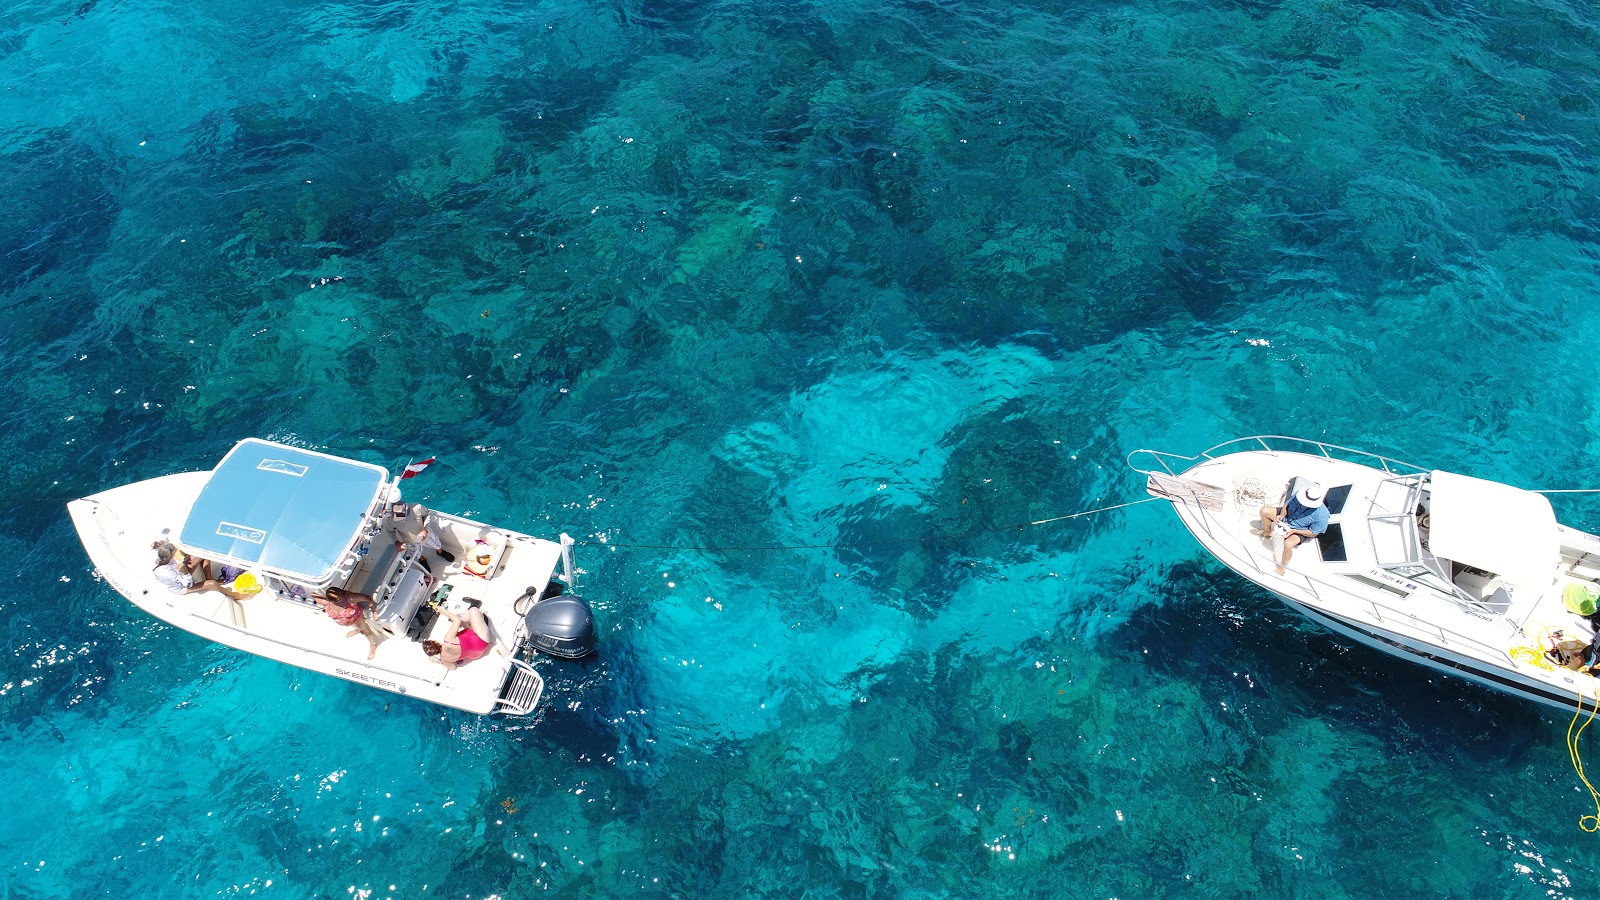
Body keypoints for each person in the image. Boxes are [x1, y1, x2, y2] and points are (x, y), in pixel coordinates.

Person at [1258, 480, 1330, 575]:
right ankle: (1267, 532)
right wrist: (1282, 516)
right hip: (1286, 518)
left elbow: (1314, 532)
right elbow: (1286, 505)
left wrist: (1294, 531)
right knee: (1264, 511)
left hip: (1299, 530)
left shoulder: (1322, 515)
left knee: (1288, 545)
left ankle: (1281, 569)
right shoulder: (1299, 494)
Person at [314, 586, 383, 659]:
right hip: (348, 622)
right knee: (357, 628)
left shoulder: (350, 598)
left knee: (365, 631)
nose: (339, 601)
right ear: (330, 600)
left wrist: (374, 611)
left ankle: (372, 645)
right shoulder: (326, 602)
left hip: (357, 618)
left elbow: (367, 598)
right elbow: (313, 594)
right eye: (336, 601)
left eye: (340, 598)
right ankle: (357, 630)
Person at [151, 541, 239, 598]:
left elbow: (162, 545)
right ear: (171, 557)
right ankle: (234, 595)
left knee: (201, 554)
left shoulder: (161, 555)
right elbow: (187, 585)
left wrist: (158, 544)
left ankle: (209, 577)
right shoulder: (168, 573)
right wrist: (185, 573)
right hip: (182, 585)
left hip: (178, 571)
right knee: (212, 584)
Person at [422, 607, 493, 670]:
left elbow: (453, 668)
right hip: (482, 640)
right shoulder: (448, 640)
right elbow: (457, 621)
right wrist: (443, 611)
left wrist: (438, 661)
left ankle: (474, 621)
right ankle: (482, 620)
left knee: (464, 618)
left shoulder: (445, 659)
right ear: (435, 642)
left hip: (476, 654)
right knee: (473, 610)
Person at [390, 502, 455, 567]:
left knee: (437, 545)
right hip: (409, 540)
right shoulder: (389, 519)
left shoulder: (417, 507)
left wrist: (425, 529)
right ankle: (421, 559)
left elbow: (427, 514)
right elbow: (389, 531)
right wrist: (396, 542)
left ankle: (440, 551)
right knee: (416, 555)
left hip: (425, 534)